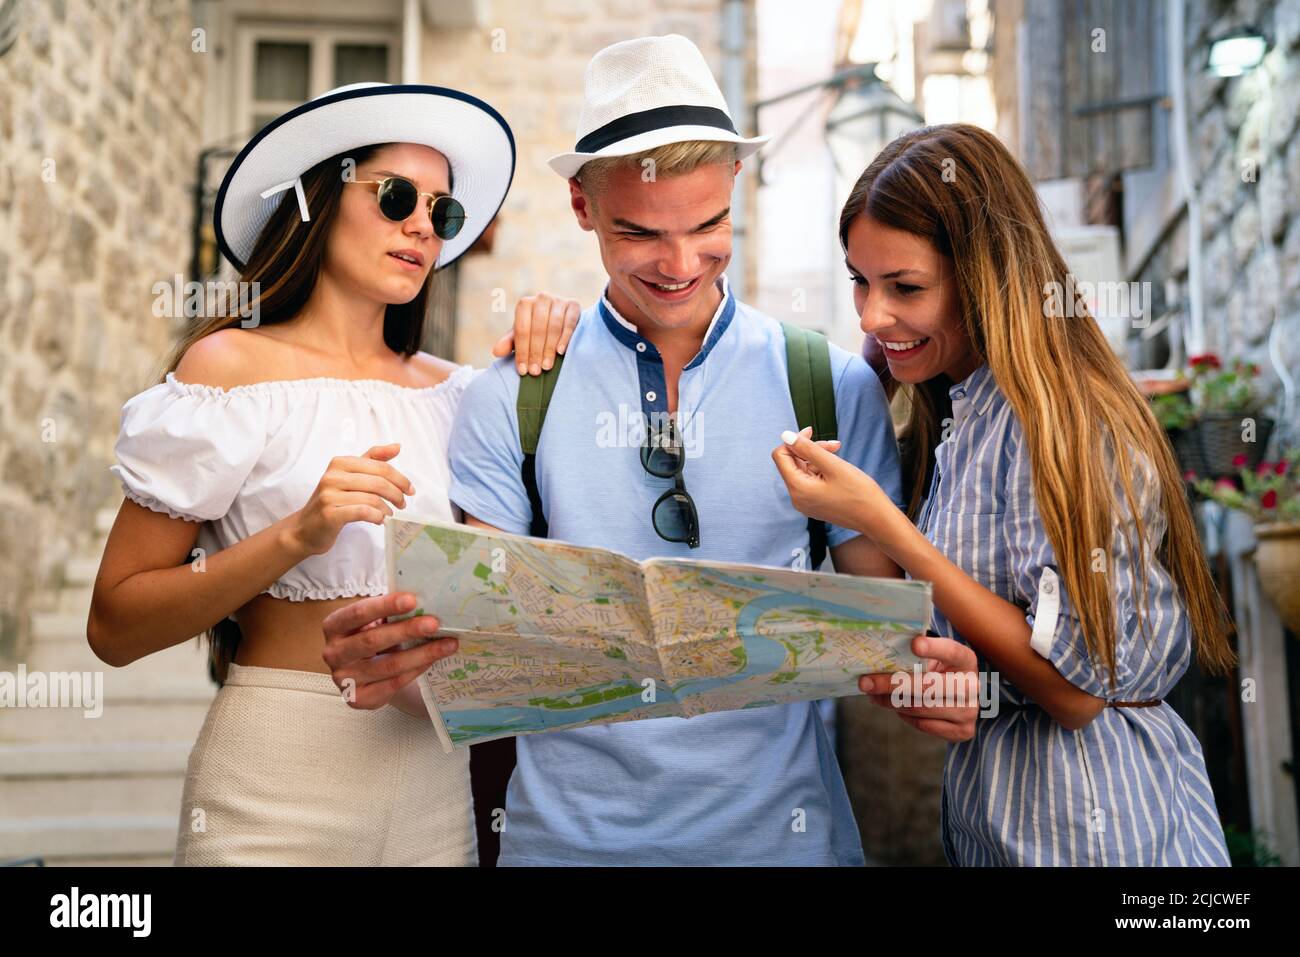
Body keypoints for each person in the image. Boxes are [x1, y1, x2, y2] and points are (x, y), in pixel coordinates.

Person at [323, 36, 979, 867]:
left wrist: (937, 677)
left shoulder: (832, 386)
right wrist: (388, 673)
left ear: (737, 185)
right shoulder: (511, 395)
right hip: (565, 848)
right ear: (582, 207)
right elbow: (474, 660)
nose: (680, 265)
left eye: (709, 225)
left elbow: (887, 642)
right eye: (640, 232)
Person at [88, 82, 577, 866]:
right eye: (396, 197)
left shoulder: (462, 395)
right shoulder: (228, 370)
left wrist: (568, 340)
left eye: (441, 213)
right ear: (318, 199)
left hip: (435, 782)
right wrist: (297, 533)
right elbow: (114, 624)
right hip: (274, 778)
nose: (422, 225)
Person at [772, 123, 1236, 866]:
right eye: (860, 279)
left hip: (1101, 830)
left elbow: (1077, 692)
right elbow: (996, 631)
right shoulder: (962, 411)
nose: (869, 313)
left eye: (905, 287)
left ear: (985, 276)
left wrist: (885, 525)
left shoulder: (1062, 421)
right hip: (1006, 822)